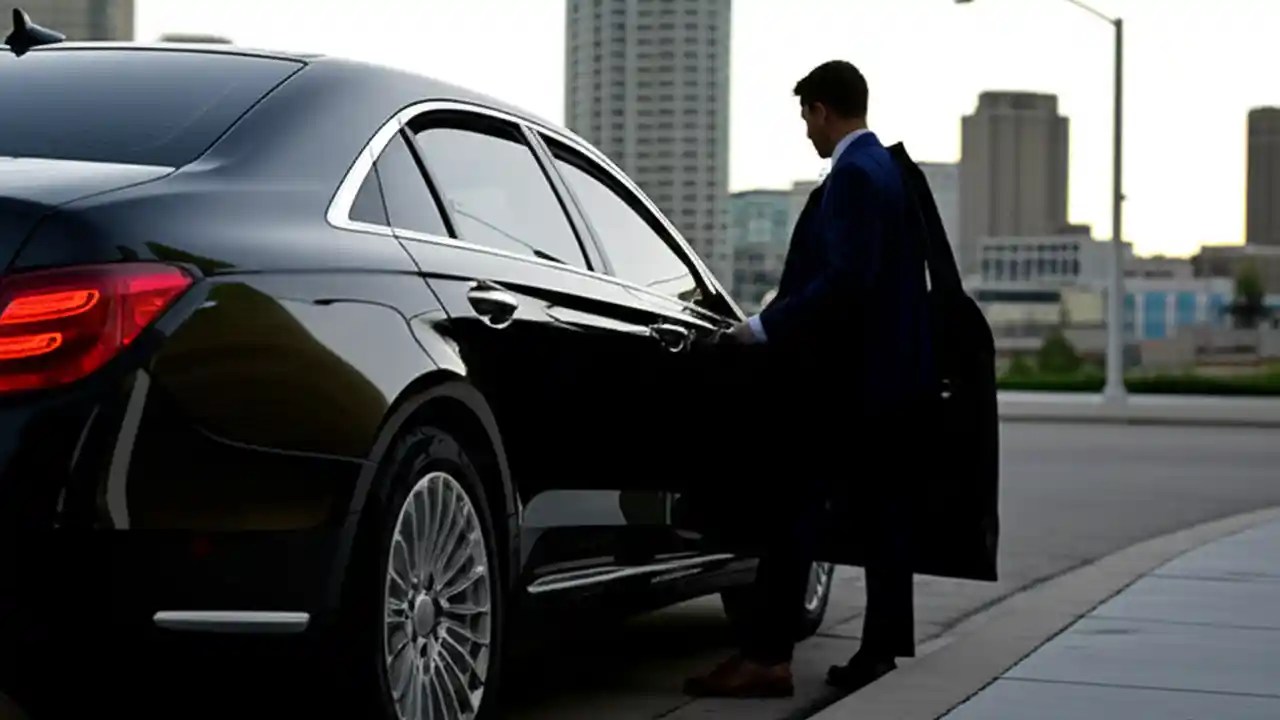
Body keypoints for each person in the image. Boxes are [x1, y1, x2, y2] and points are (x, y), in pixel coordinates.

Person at [683, 59, 933, 698]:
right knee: (881, 515)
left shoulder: (853, 176)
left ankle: (768, 657)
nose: (806, 132)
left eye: (806, 117)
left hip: (848, 383)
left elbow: (846, 281)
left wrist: (762, 329)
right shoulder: (888, 169)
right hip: (889, 376)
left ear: (822, 110)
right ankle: (876, 649)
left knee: (790, 507)